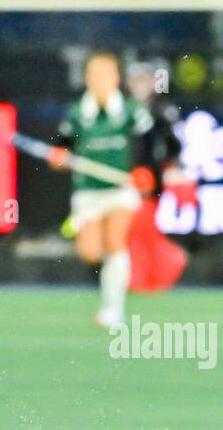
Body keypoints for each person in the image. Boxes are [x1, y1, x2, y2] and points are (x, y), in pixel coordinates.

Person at [52, 52, 153, 329]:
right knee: (90, 251)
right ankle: (108, 267)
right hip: (88, 192)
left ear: (116, 78)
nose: (99, 80)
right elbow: (63, 146)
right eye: (94, 74)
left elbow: (150, 144)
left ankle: (113, 310)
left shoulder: (131, 110)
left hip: (121, 190)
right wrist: (59, 157)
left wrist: (145, 170)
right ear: (86, 78)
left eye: (106, 73)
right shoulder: (75, 113)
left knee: (116, 241)